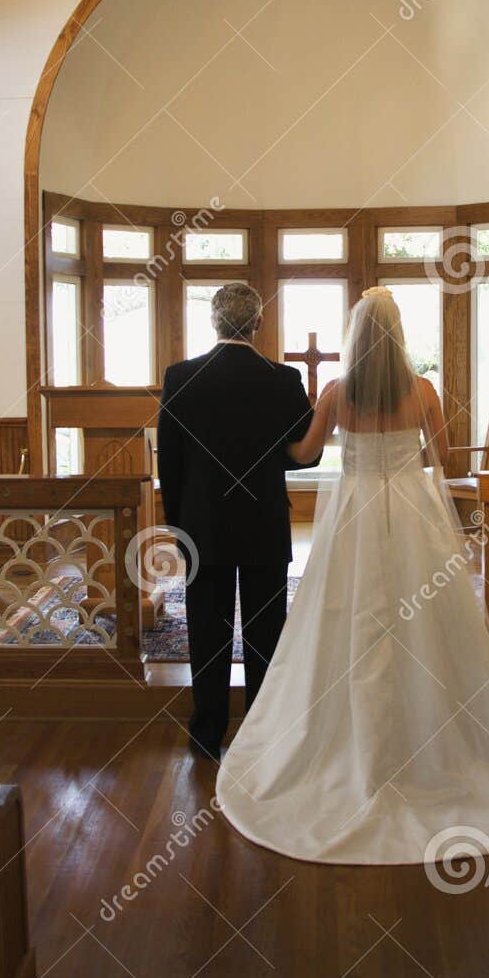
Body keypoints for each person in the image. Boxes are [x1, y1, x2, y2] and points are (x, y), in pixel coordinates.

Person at [215, 287, 489, 863]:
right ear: (398, 337)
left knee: (347, 619)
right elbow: (445, 457)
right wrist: (403, 458)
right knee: (429, 622)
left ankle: (349, 743)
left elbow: (302, 453)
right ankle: (432, 738)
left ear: (356, 338)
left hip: (352, 519)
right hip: (414, 515)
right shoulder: (423, 392)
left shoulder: (338, 394)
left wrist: (254, 442)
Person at [157, 281, 317, 761]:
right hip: (264, 521)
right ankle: (261, 737)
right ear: (258, 322)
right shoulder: (282, 379)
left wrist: (177, 522)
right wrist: (268, 461)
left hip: (201, 523)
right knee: (266, 631)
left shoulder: (180, 376)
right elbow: (303, 456)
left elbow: (170, 457)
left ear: (213, 321)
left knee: (207, 629)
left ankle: (206, 737)